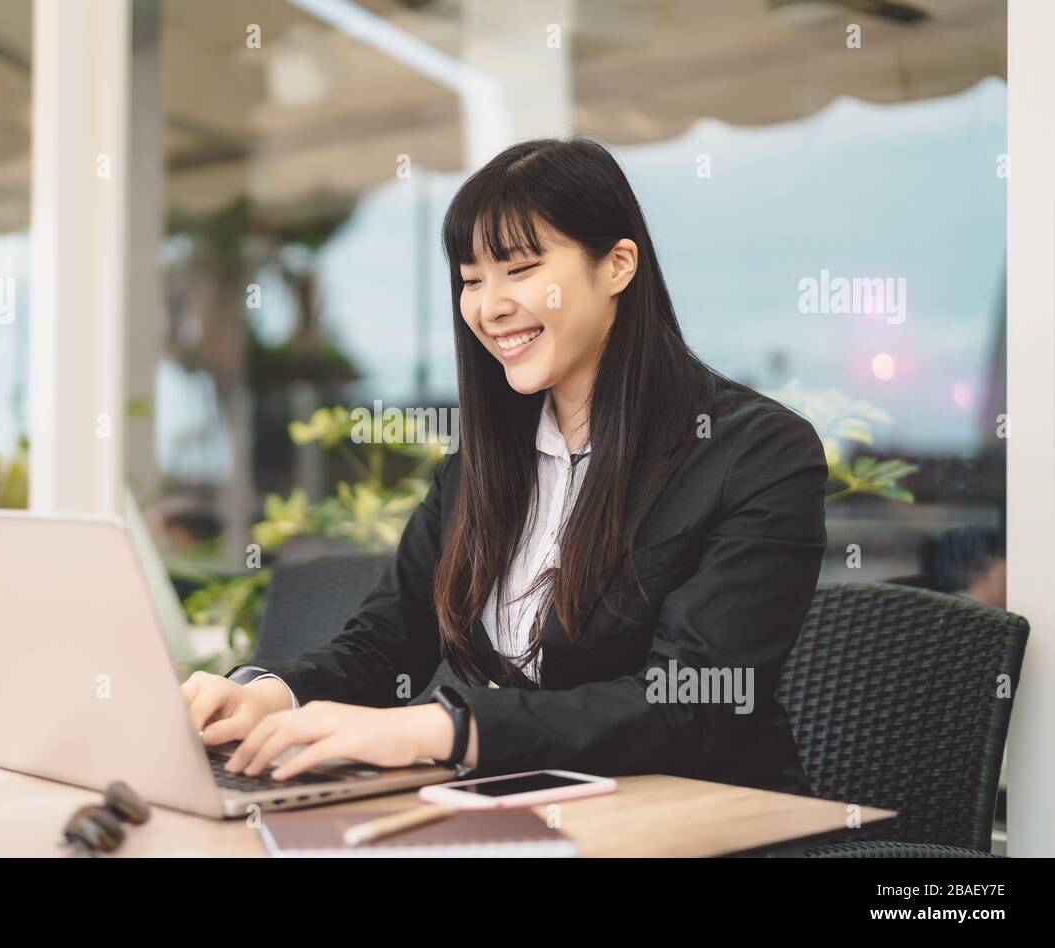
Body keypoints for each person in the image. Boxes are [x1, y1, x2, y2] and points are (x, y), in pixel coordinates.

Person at [182, 137, 828, 795]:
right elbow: (383, 644)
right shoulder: (483, 465)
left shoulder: (756, 453)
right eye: (470, 280)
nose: (488, 307)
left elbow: (692, 704)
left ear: (617, 266)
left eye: (519, 269)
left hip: (713, 822)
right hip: (534, 812)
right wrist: (270, 694)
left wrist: (445, 730)